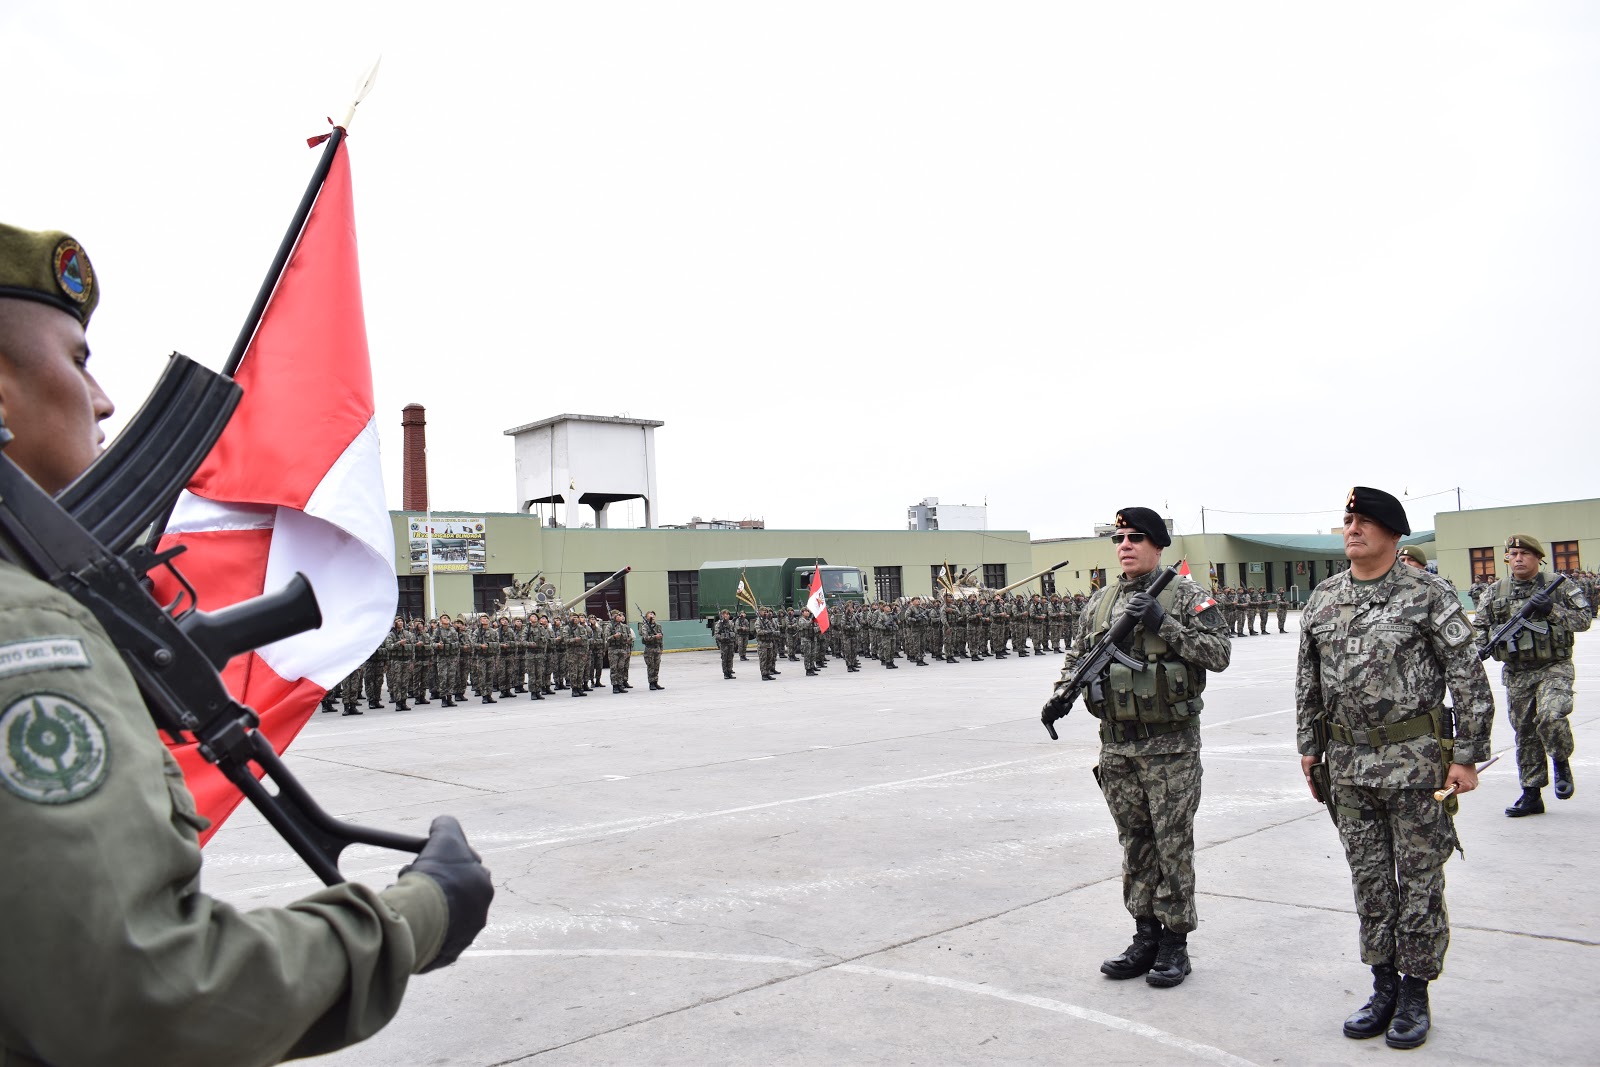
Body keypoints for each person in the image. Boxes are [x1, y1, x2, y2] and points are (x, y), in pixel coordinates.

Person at [0, 222, 493, 1064]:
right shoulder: (27, 628)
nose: (107, 398)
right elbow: (147, 1000)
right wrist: (421, 913)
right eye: (79, 359)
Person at [1296, 487, 1493, 1049]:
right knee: (1371, 882)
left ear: (1392, 531)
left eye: (1364, 521)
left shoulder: (1427, 594)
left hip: (1415, 766)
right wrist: (1310, 747)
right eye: (1347, 520)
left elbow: (1468, 676)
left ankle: (1415, 991)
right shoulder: (1324, 598)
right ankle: (1382, 983)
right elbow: (1308, 679)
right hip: (1350, 766)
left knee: (1421, 881)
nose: (1352, 529)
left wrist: (1466, 755)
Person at [1047, 507, 1230, 989]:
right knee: (1135, 845)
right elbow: (1080, 654)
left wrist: (1162, 622)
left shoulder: (1189, 596)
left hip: (1170, 747)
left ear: (1158, 545)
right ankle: (1144, 935)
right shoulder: (1101, 601)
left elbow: (1219, 655)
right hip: (1117, 747)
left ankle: (1174, 944)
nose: (1124, 545)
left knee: (1172, 845)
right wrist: (1062, 693)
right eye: (1119, 538)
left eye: (1135, 537)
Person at [1473, 534, 1590, 816]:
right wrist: (1481, 648)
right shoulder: (1495, 591)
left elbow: (1584, 620)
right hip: (1516, 672)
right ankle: (1531, 794)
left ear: (1538, 557)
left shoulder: (1557, 586)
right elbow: (1479, 627)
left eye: (1525, 554)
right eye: (1513, 555)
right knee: (1525, 733)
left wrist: (1552, 610)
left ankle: (1560, 760)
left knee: (1551, 716)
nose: (1518, 559)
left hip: (1554, 666)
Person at [638, 609, 666, 690]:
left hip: (657, 648)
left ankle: (655, 682)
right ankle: (651, 683)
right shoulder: (644, 627)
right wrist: (654, 637)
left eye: (653, 615)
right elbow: (645, 638)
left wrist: (661, 648)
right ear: (646, 617)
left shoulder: (658, 626)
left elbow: (661, 638)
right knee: (651, 666)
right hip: (649, 649)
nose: (652, 616)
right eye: (650, 614)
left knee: (657, 666)